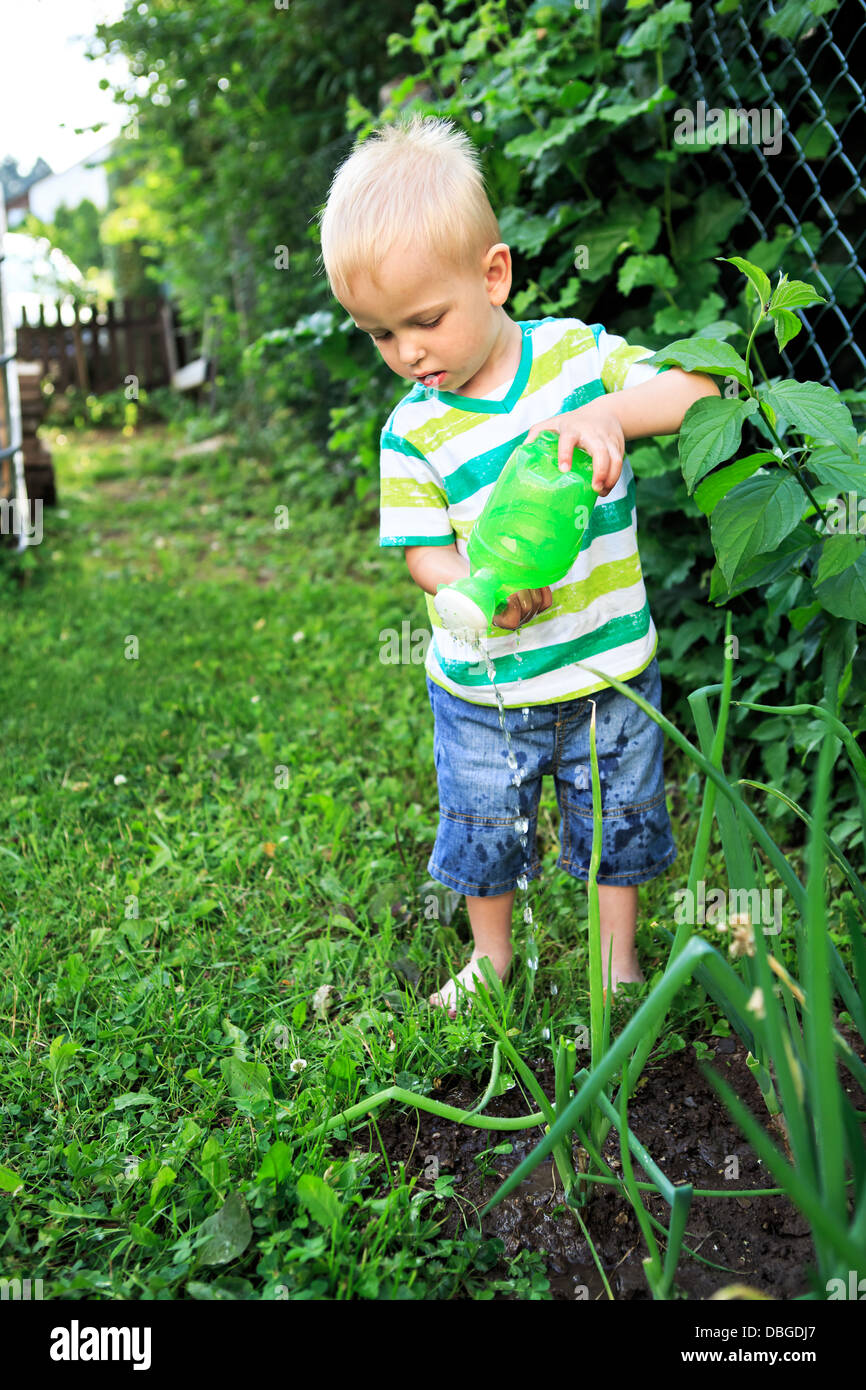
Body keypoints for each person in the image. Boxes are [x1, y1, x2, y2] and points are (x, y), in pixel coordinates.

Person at [317, 113, 719, 1018]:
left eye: (424, 320)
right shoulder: (414, 429)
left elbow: (697, 392)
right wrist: (472, 588)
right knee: (483, 825)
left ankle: (617, 963)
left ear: (494, 275)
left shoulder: (578, 359)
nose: (408, 353)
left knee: (619, 821)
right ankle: (491, 957)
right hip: (487, 685)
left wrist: (614, 417)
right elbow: (422, 550)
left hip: (608, 663)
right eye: (379, 335)